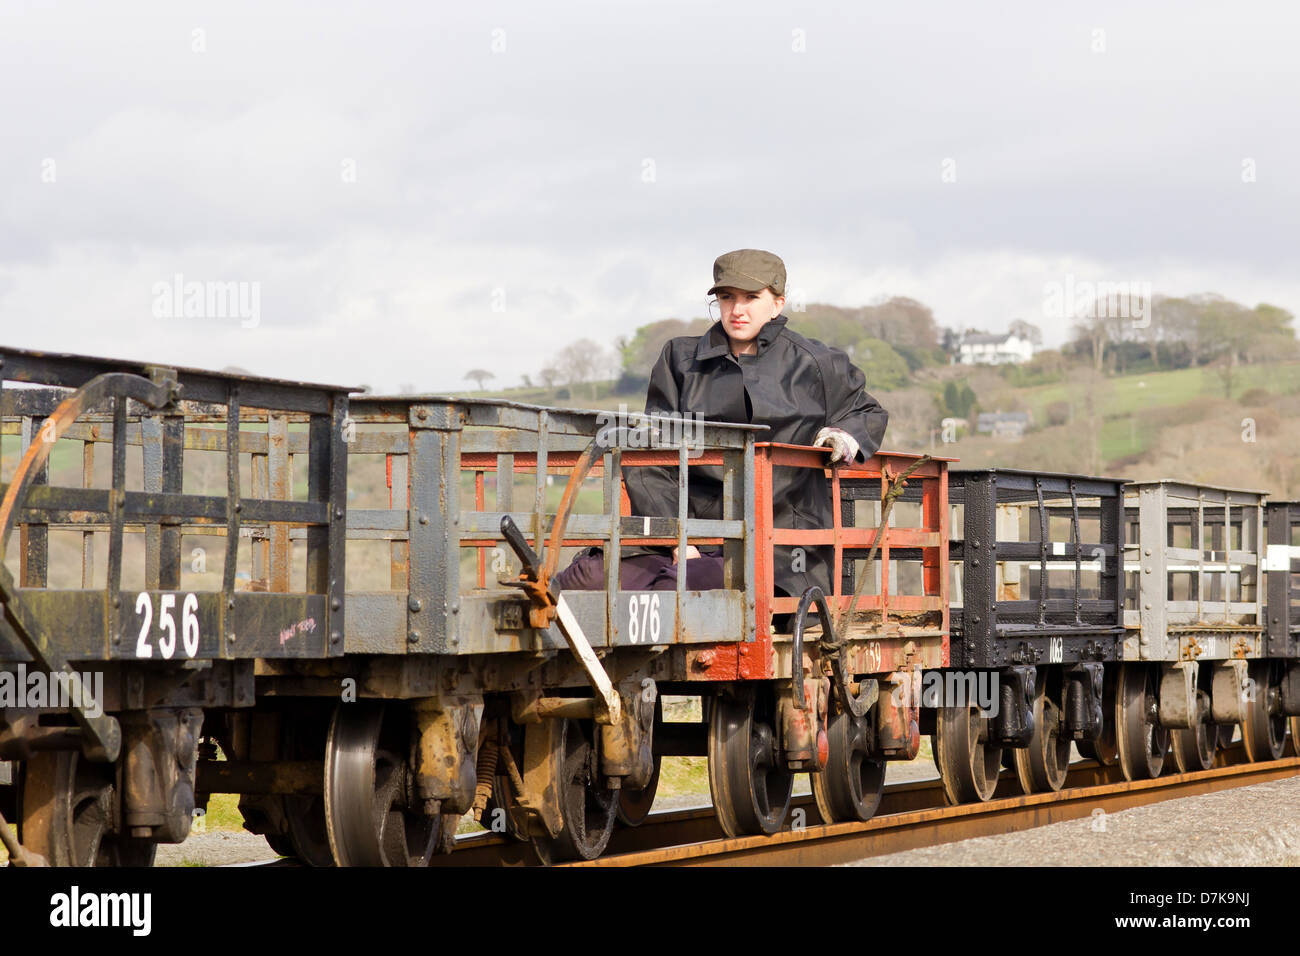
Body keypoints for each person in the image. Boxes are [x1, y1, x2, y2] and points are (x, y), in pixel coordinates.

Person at [553, 248, 888, 601]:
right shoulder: (680, 360)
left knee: (678, 589)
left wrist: (843, 437)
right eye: (727, 298)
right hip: (687, 531)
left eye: (751, 298)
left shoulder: (817, 364)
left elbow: (866, 411)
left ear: (777, 303)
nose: (737, 310)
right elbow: (650, 454)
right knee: (584, 579)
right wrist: (678, 539)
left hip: (779, 547)